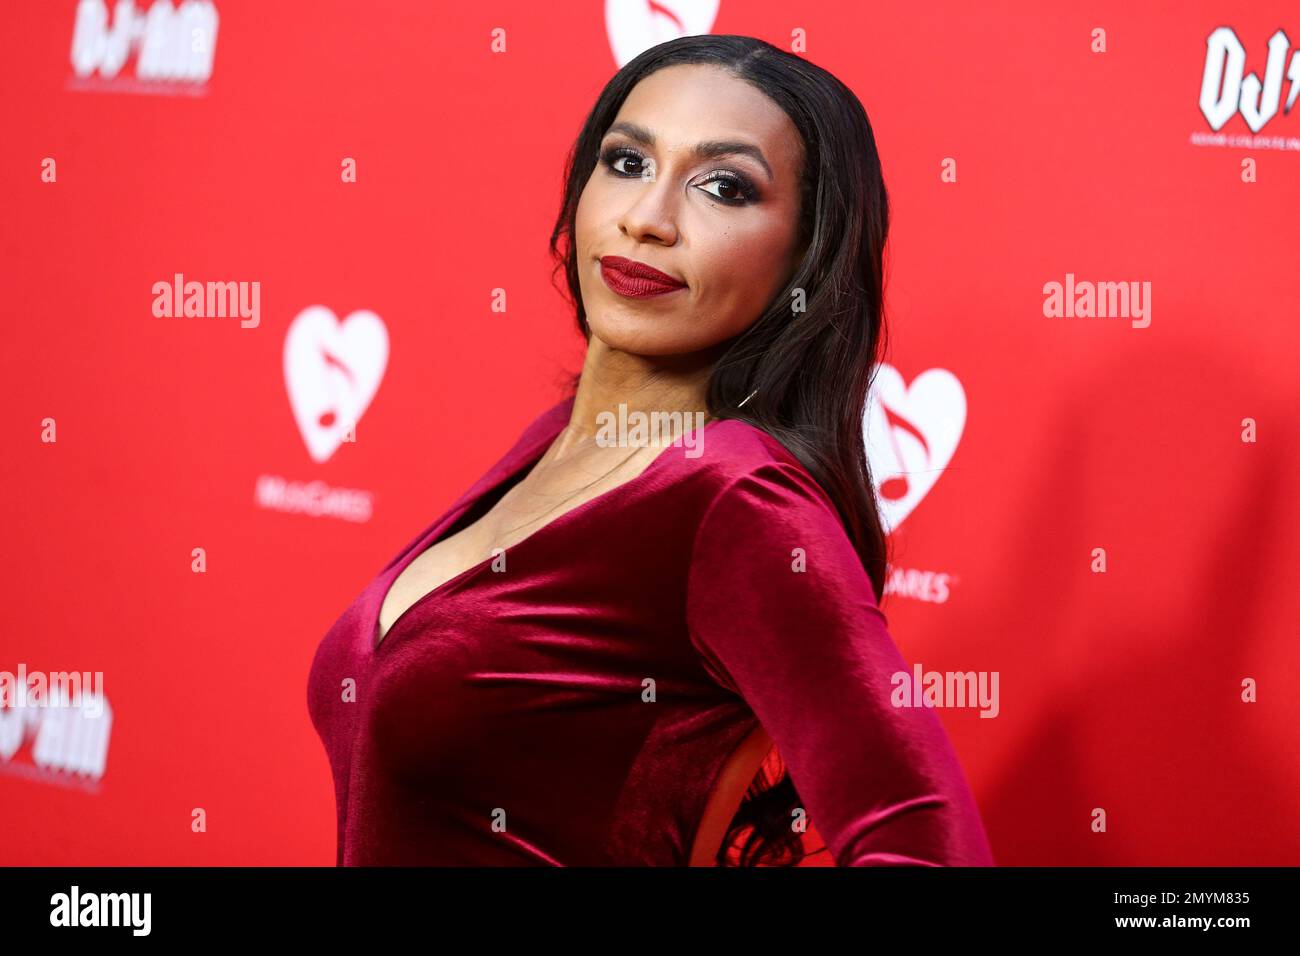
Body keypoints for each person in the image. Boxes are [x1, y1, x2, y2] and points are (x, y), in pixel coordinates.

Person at [307, 34, 995, 866]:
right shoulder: (555, 441)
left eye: (723, 186)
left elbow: (925, 839)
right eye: (628, 163)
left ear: (806, 254)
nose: (648, 218)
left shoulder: (737, 500)